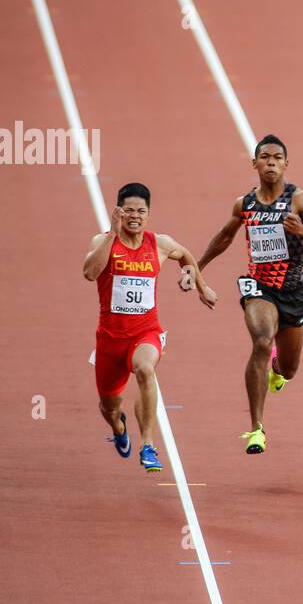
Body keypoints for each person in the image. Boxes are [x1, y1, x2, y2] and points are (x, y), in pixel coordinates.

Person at [195, 135, 303, 454]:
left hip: (294, 291)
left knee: (289, 369)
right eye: (265, 157)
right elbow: (225, 237)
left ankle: (276, 369)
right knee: (260, 338)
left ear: (286, 163)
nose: (270, 162)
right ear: (254, 163)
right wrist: (197, 267)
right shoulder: (244, 205)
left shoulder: (300, 200)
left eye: (277, 157)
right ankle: (256, 428)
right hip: (259, 287)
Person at [83, 182, 215, 471]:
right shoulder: (102, 242)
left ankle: (148, 445)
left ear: (148, 213)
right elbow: (89, 273)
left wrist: (198, 284)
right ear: (118, 211)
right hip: (109, 340)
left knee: (145, 368)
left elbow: (186, 256)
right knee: (109, 407)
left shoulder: (160, 244)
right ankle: (119, 429)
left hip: (145, 333)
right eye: (128, 210)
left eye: (141, 211)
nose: (135, 216)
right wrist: (112, 234)